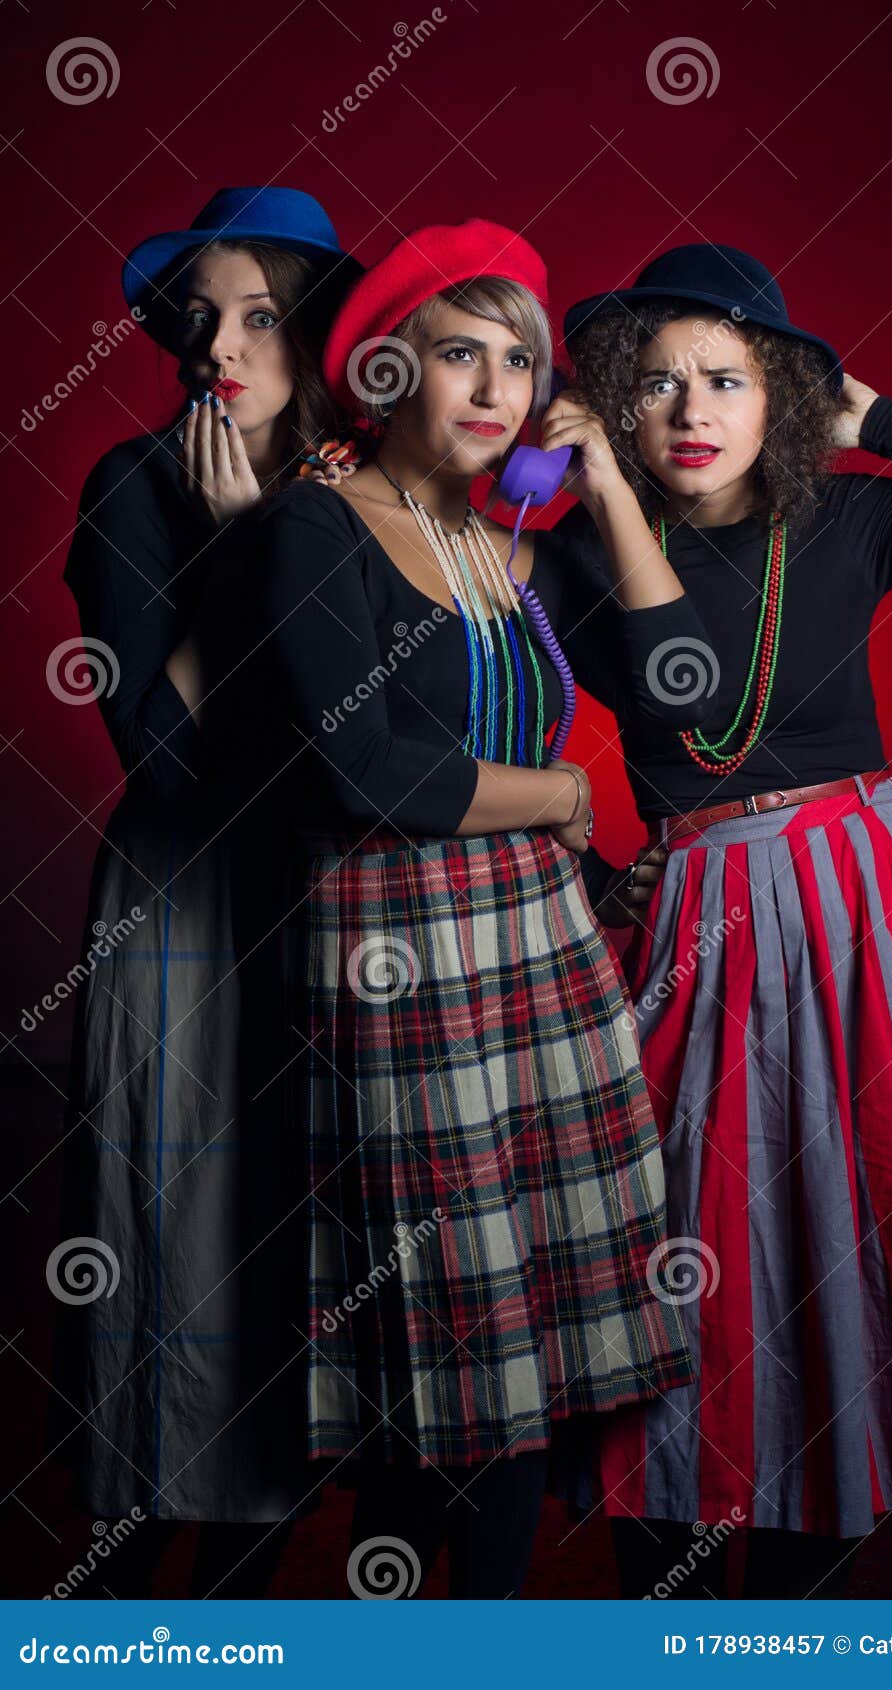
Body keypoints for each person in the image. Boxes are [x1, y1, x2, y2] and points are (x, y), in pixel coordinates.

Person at [554, 241, 892, 1598]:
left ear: (780, 394)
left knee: (843, 1231)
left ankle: (796, 1594)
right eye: (654, 385)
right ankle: (665, 1591)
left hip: (866, 900)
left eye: (727, 378)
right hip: (699, 901)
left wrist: (878, 417)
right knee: (684, 1250)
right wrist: (603, 862)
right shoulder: (586, 537)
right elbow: (665, 706)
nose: (691, 410)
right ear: (612, 403)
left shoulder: (844, 512)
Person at [246, 217, 718, 1599]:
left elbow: (678, 683)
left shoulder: (510, 549)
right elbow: (367, 763)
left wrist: (611, 490)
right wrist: (564, 800)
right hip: (406, 953)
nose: (499, 387)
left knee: (539, 1346)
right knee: (452, 1350)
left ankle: (483, 1635)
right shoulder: (316, 525)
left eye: (521, 360)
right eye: (463, 354)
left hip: (541, 946)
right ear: (385, 371)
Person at [49, 187, 361, 1597]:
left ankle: (232, 1612)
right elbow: (160, 758)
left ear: (311, 338)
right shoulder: (133, 484)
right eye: (198, 322)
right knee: (172, 1249)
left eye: (254, 318)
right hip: (184, 908)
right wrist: (245, 563)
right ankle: (112, 1618)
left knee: (287, 1266)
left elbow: (390, 738)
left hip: (325, 910)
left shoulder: (353, 493)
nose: (215, 350)